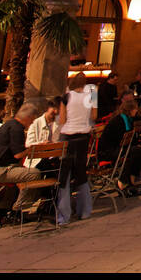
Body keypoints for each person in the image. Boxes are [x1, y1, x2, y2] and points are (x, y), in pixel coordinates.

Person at [0, 104, 53, 210]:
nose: (32, 122)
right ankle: (20, 206)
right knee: (34, 174)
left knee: (24, 172)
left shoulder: (10, 124)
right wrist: (35, 149)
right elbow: (18, 154)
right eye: (32, 119)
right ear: (28, 117)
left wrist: (37, 147)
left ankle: (5, 206)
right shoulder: (16, 128)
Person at [57, 74, 95, 224]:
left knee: (64, 174)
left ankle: (63, 215)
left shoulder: (66, 96)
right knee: (80, 172)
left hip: (68, 135)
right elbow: (94, 115)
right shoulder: (92, 93)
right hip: (83, 136)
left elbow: (62, 120)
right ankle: (85, 211)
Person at [99, 95, 141, 191]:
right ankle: (123, 180)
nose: (136, 111)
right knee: (135, 151)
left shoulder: (128, 120)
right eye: (135, 109)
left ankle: (131, 179)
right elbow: (120, 140)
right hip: (108, 151)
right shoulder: (119, 121)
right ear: (130, 110)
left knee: (138, 150)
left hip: (118, 148)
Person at [24, 98, 61, 171]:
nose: (55, 114)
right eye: (53, 112)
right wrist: (41, 144)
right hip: (38, 161)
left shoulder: (58, 124)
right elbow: (28, 144)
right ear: (48, 108)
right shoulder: (35, 123)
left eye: (57, 113)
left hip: (53, 158)